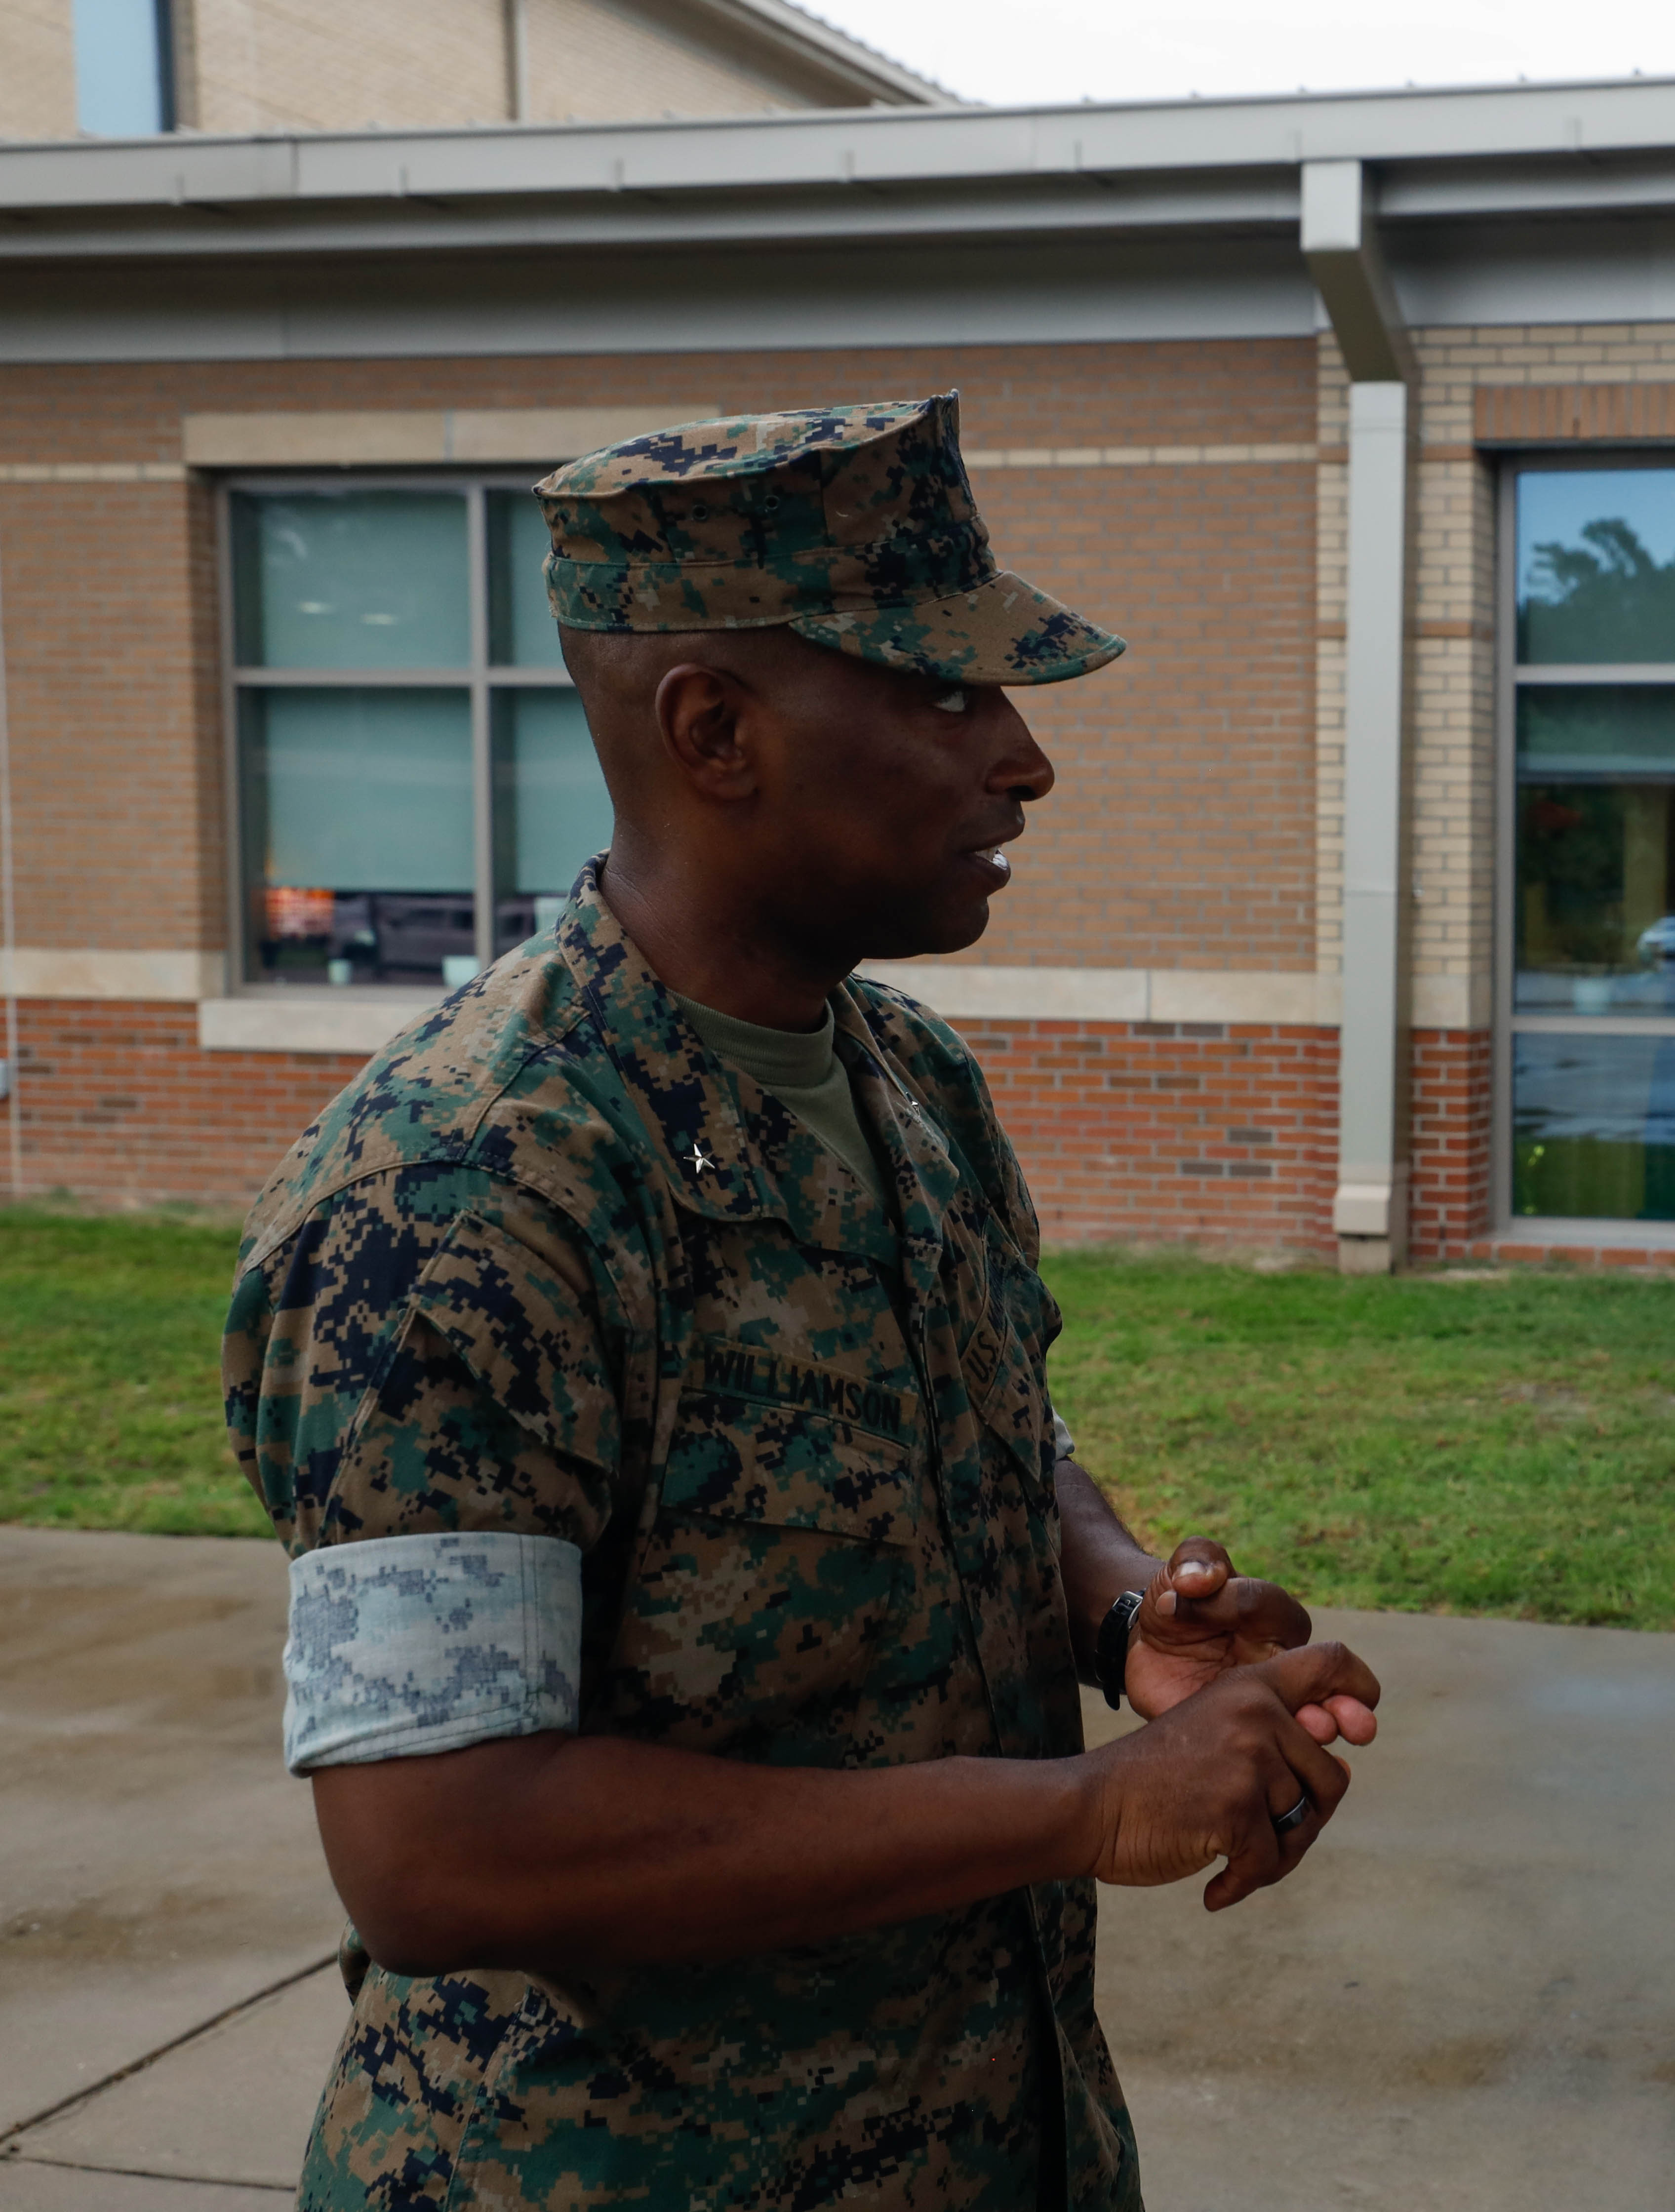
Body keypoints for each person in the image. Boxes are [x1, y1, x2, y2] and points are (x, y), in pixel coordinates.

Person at [221, 393, 1381, 2212]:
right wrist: (1089, 1806)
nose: (1022, 760)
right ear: (715, 731)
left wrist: (1120, 1606)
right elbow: (440, 1851)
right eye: (945, 695)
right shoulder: (462, 1189)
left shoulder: (906, 1078)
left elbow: (1000, 1424)